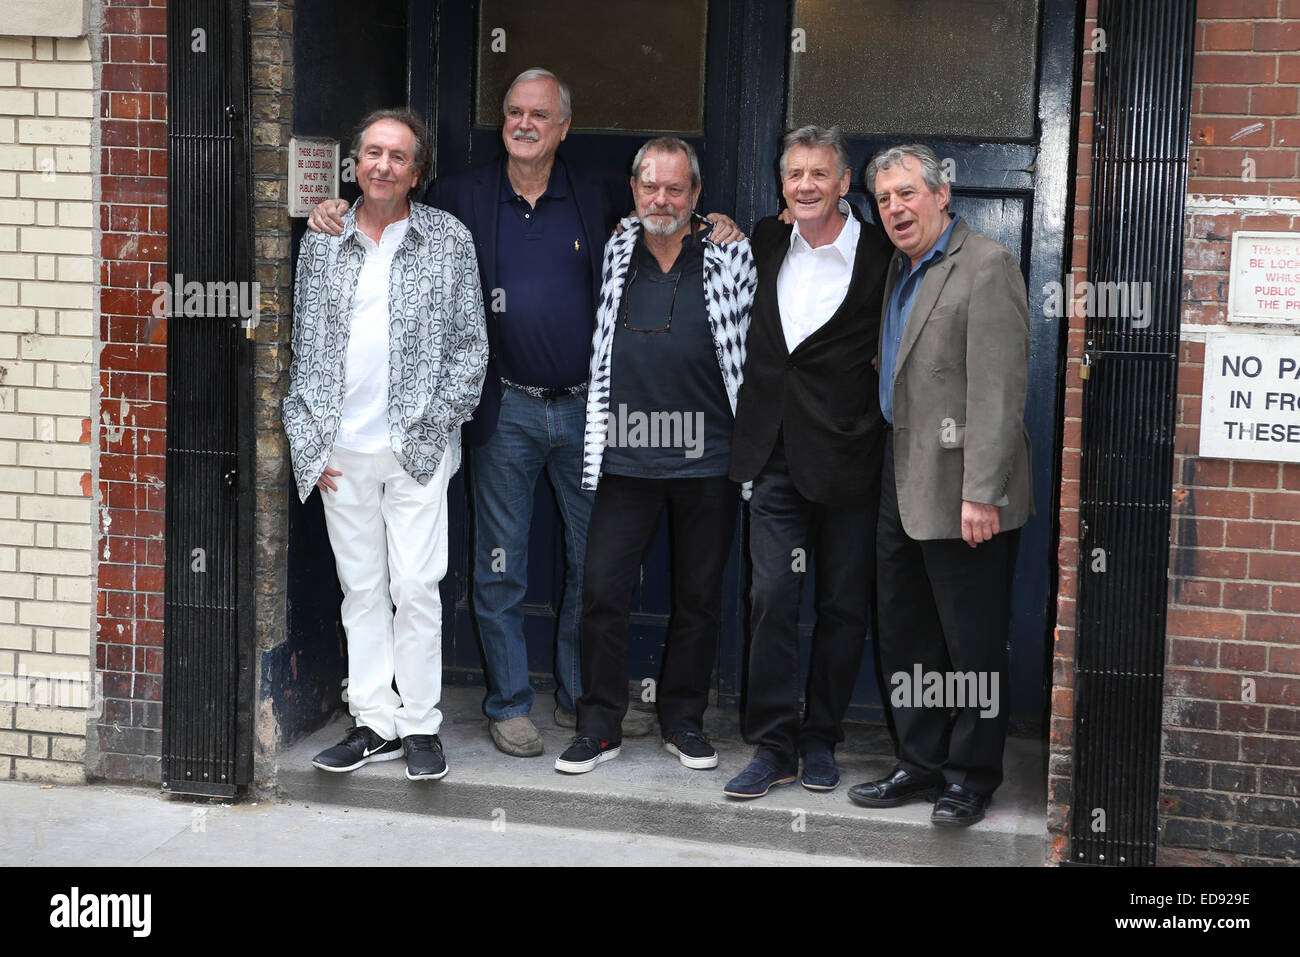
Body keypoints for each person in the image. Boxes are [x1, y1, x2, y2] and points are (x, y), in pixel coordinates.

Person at [308, 69, 742, 757]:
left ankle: (581, 697)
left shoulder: (601, 190)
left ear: (563, 127)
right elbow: (388, 207)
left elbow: (669, 214)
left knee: (592, 563)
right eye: (513, 111)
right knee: (499, 566)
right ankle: (509, 702)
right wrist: (332, 209)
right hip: (504, 406)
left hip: (588, 413)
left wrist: (718, 222)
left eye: (539, 113)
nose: (524, 122)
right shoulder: (460, 195)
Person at [284, 108, 488, 781]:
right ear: (355, 162)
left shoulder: (448, 240)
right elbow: (303, 346)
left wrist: (431, 433)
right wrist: (308, 439)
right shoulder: (325, 239)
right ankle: (374, 719)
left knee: (418, 586)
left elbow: (470, 351)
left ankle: (421, 721)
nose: (382, 166)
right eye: (372, 152)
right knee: (363, 589)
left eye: (397, 157)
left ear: (417, 172)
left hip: (417, 452)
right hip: (342, 452)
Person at [553, 137, 756, 774]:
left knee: (698, 597)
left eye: (675, 188)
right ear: (634, 189)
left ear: (697, 195)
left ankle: (684, 722)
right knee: (603, 591)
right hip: (626, 457)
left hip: (709, 458)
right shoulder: (616, 248)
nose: (661, 199)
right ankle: (599, 726)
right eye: (650, 187)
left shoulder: (731, 253)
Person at [847, 144, 1032, 827]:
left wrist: (982, 490)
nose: (895, 206)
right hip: (903, 479)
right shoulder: (900, 267)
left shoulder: (985, 266)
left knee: (970, 642)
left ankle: (971, 775)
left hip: (966, 489)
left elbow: (1000, 388)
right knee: (906, 634)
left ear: (942, 194)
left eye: (907, 193)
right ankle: (920, 763)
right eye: (885, 197)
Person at [724, 126, 894, 799]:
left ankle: (820, 735)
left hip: (852, 456)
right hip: (771, 455)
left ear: (843, 182)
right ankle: (774, 744)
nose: (805, 186)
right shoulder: (765, 241)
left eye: (818, 174)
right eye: (794, 174)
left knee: (842, 605)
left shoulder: (884, 255)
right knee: (769, 595)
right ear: (782, 183)